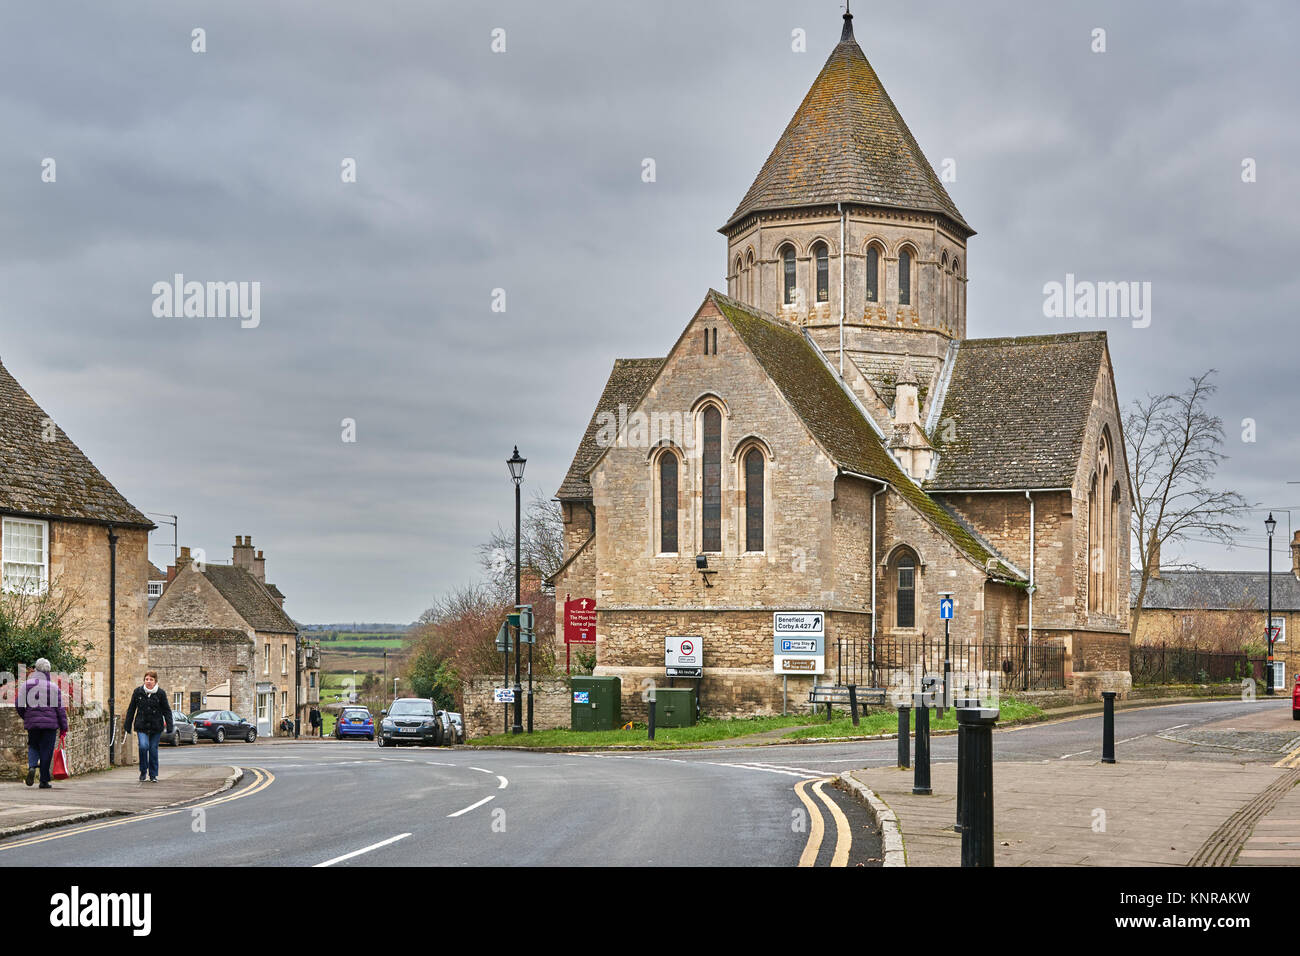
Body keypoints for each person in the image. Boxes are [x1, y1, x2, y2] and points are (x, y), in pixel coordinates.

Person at [15, 658, 67, 789]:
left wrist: (26, 716)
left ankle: (32, 766)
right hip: (50, 725)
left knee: (33, 745)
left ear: (36, 670)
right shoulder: (54, 687)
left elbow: (19, 704)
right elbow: (60, 710)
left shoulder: (26, 685)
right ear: (48, 671)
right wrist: (63, 728)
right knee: (46, 751)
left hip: (33, 723)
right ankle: (44, 780)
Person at [123, 671, 172, 782]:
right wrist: (127, 725)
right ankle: (143, 771)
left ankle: (153, 775)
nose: (148, 681)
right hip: (142, 725)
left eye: (151, 680)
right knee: (143, 746)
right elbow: (131, 709)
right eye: (147, 679)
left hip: (156, 726)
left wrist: (170, 725)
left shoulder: (161, 693)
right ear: (144, 680)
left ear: (155, 681)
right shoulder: (138, 692)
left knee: (153, 749)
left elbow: (167, 710)